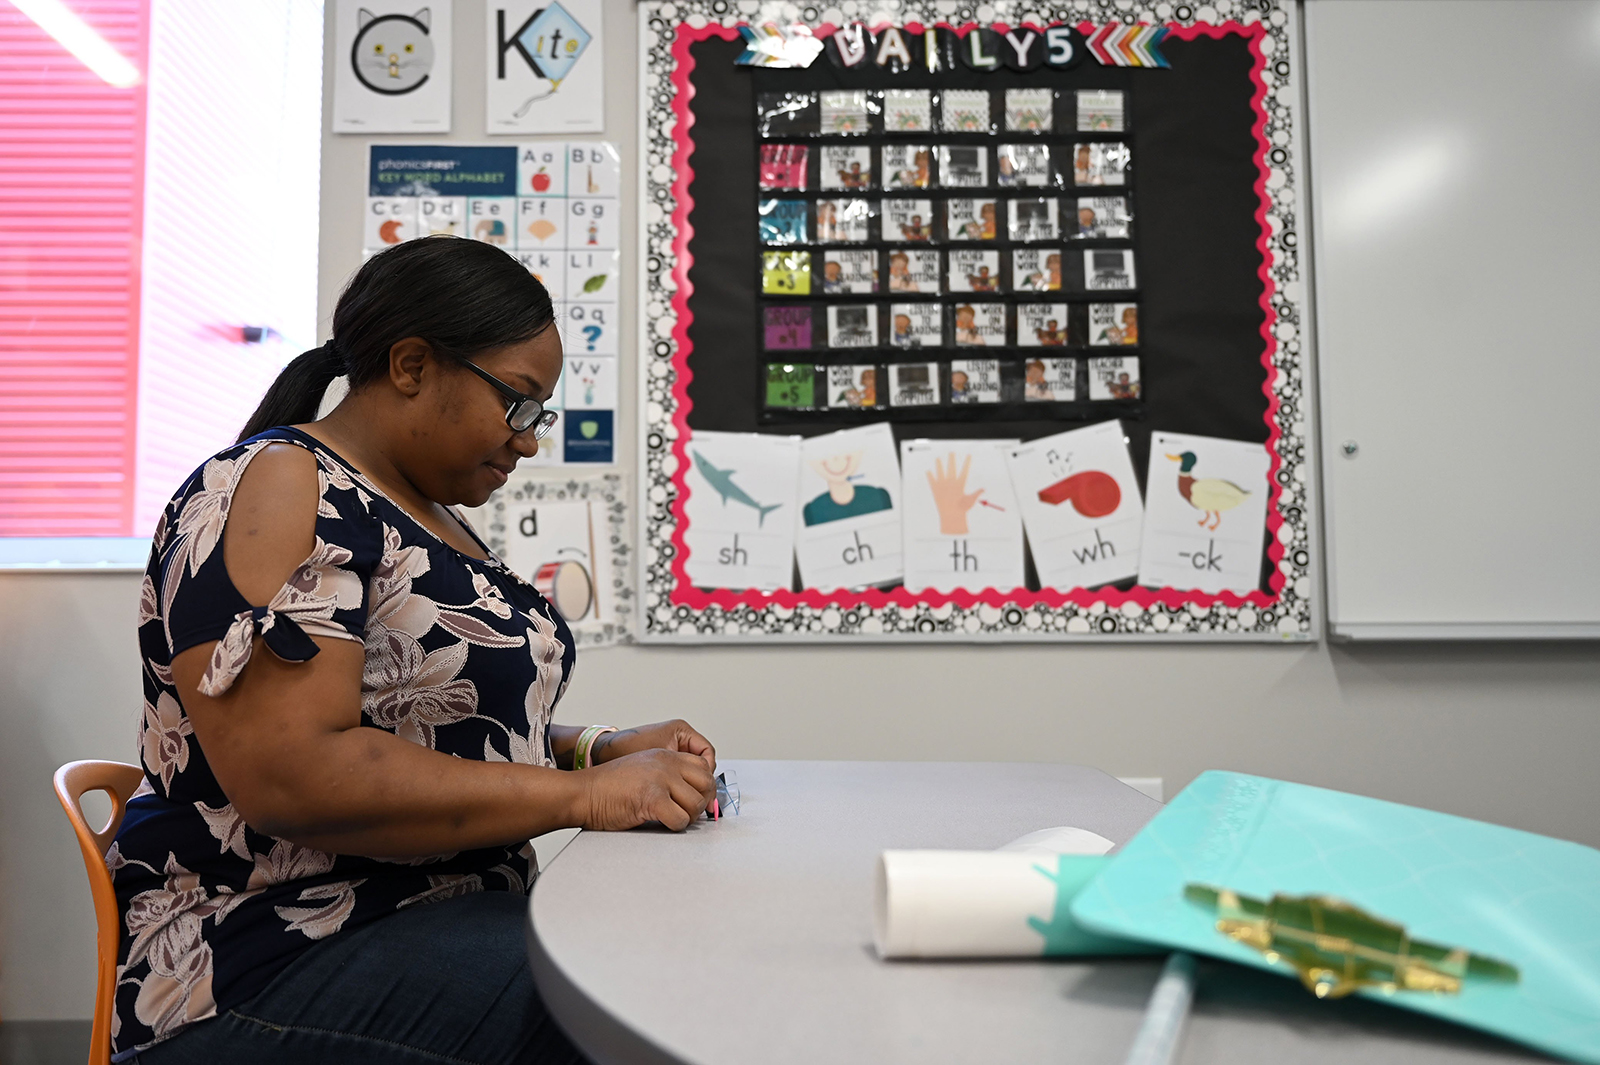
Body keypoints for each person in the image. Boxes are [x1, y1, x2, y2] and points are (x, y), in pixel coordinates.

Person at [114, 238, 718, 1065]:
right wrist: (584, 797)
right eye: (518, 403)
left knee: (668, 951)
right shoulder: (283, 483)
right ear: (411, 366)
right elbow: (293, 773)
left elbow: (421, 726)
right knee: (632, 999)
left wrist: (594, 751)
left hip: (424, 923)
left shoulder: (419, 512)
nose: (528, 440)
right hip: (267, 954)